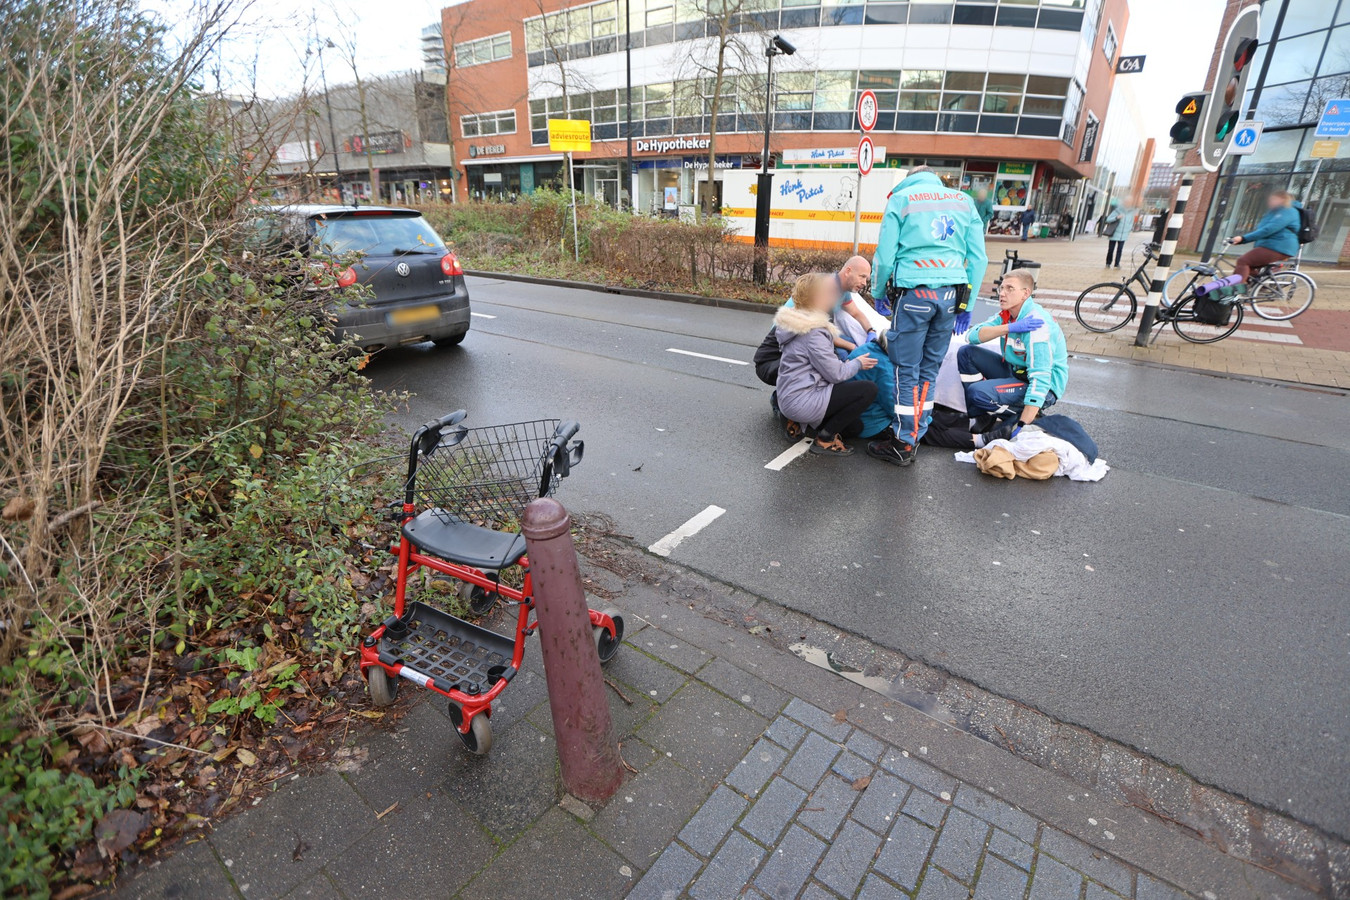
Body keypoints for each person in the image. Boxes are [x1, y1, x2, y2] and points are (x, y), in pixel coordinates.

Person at [867, 165, 988, 467]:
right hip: (950, 296)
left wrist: (879, 291)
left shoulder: (902, 198)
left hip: (914, 293)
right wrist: (967, 303)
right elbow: (977, 258)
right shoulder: (963, 201)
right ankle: (917, 433)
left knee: (905, 369)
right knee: (928, 371)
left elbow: (884, 256)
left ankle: (902, 442)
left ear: (911, 179)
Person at [956, 269, 1067, 445]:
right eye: (1001, 288)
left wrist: (1023, 424)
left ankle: (1026, 416)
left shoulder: (1037, 325)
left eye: (1010, 288)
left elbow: (1041, 379)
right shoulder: (1007, 315)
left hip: (1043, 388)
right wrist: (1009, 327)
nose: (1002, 293)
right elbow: (972, 336)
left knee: (977, 393)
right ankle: (981, 416)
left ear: (1025, 293)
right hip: (1017, 373)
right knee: (967, 353)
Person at [774, 273, 879, 456]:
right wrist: (857, 363)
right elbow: (836, 374)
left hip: (790, 395)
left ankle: (799, 422)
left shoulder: (795, 323)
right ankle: (825, 439)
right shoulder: (814, 332)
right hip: (802, 399)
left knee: (855, 428)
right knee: (868, 389)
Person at [1226, 190, 1301, 282]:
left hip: (1279, 246)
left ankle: (1234, 290)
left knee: (1243, 261)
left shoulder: (1288, 211)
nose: (1270, 202)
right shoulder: (1275, 212)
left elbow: (1268, 230)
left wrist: (1243, 238)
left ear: (1283, 199)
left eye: (1274, 199)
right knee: (1249, 267)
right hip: (1272, 245)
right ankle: (1258, 287)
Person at [1102, 199, 1129, 268]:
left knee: (1119, 250)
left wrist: (1128, 230)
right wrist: (1117, 217)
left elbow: (1130, 223)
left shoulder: (1129, 213)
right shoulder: (1117, 211)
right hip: (1114, 233)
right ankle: (1108, 263)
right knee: (1111, 249)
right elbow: (1108, 220)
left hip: (1123, 235)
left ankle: (1117, 264)